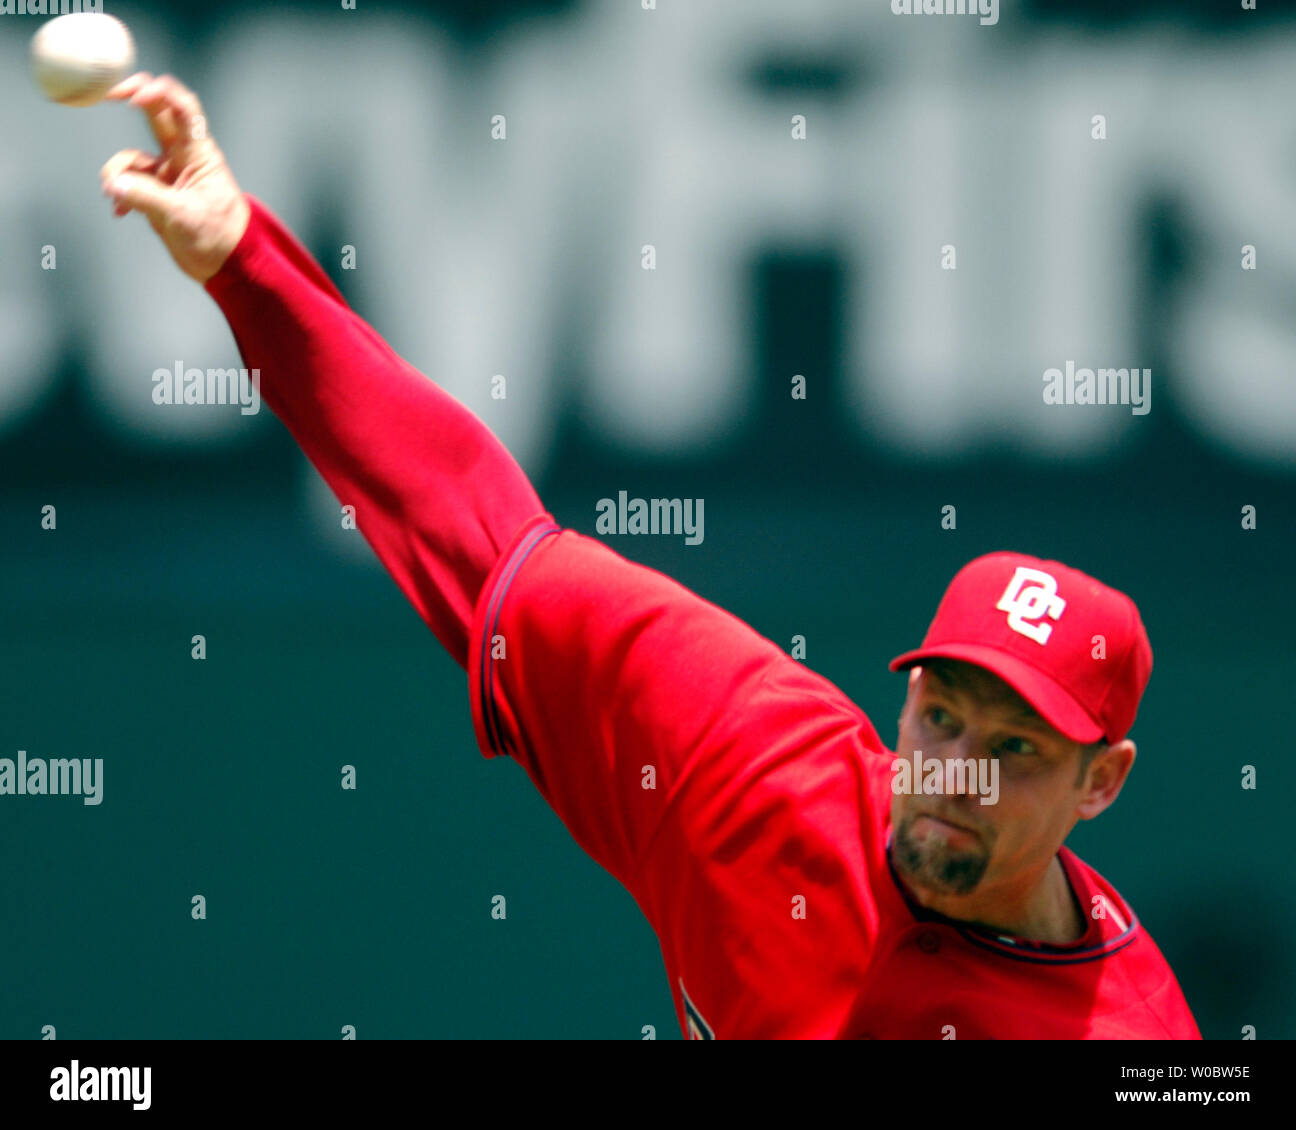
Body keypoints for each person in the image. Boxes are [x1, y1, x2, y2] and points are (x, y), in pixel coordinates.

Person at [99, 72, 1201, 1039]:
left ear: (1101, 781)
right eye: (942, 716)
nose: (954, 771)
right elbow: (465, 521)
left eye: (1014, 749)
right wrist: (246, 263)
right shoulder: (748, 757)